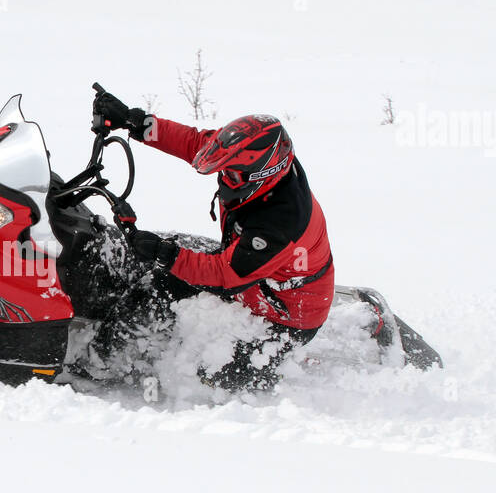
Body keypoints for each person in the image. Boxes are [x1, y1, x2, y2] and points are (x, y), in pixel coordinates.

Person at [91, 87, 335, 390]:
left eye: (231, 174)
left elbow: (224, 275)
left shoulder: (279, 223)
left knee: (209, 370)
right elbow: (195, 142)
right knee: (165, 248)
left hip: (284, 314)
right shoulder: (256, 159)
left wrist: (165, 255)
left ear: (261, 176)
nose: (224, 179)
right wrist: (135, 122)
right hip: (253, 267)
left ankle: (100, 367)